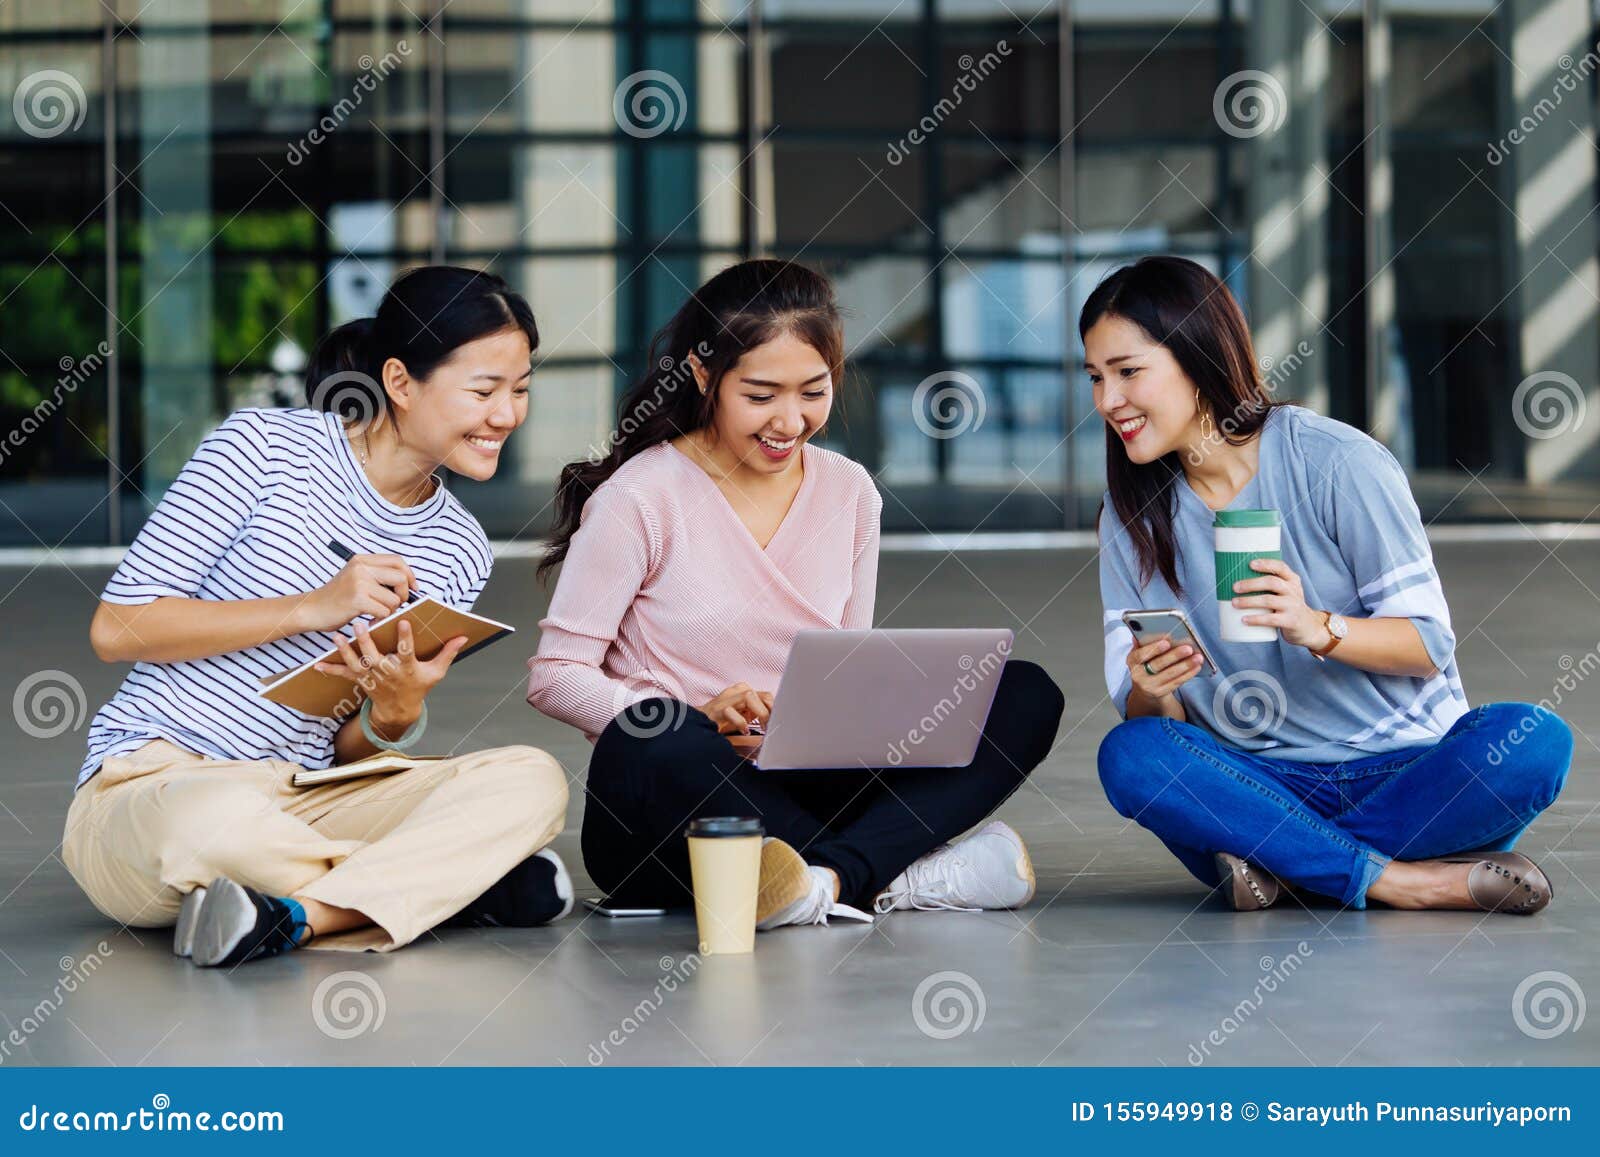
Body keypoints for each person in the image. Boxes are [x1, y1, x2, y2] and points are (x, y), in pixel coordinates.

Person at [528, 259, 1065, 929]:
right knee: (654, 740)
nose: (790, 420)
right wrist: (695, 714)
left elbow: (845, 663)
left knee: (1024, 692)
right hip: (675, 808)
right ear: (703, 376)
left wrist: (813, 722)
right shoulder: (639, 497)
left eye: (813, 391)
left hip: (807, 781)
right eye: (760, 395)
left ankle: (826, 877)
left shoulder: (849, 491)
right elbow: (555, 677)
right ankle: (896, 873)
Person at [66, 266, 572, 967]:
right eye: (484, 390)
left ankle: (297, 915)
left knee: (532, 778)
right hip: (156, 780)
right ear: (399, 382)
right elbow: (117, 628)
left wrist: (391, 713)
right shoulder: (265, 448)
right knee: (205, 826)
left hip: (310, 794)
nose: (507, 415)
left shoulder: (459, 546)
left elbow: (341, 746)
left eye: (519, 390)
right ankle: (448, 884)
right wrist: (312, 607)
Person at [1090, 255, 1570, 915]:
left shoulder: (1337, 462)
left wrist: (1317, 626)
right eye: (1095, 377)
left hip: (1400, 768)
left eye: (1127, 372)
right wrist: (1152, 688)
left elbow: (1428, 643)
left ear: (1197, 356)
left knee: (1535, 741)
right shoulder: (1132, 514)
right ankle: (1412, 880)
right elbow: (1158, 729)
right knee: (1133, 754)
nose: (1106, 401)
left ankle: (1289, 865)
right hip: (1256, 777)